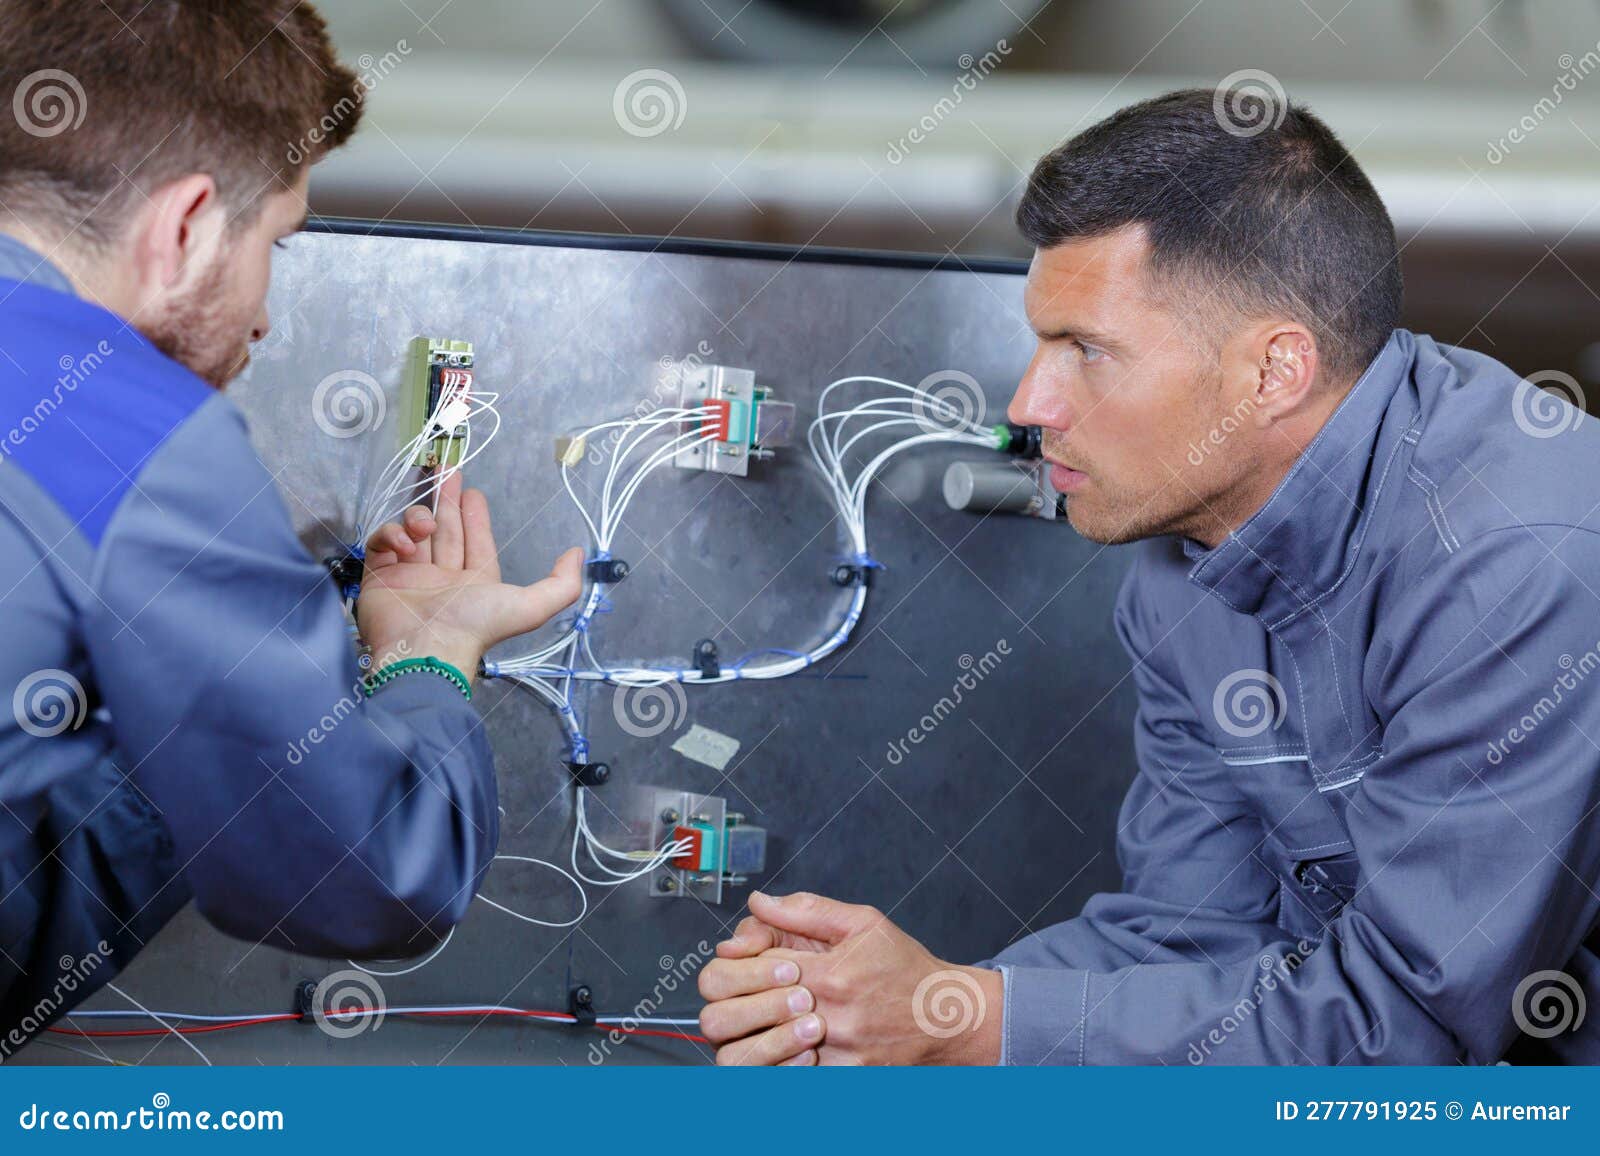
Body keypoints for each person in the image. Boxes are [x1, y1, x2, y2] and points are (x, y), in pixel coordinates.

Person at [697, 88, 1600, 1065]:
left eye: (1085, 349)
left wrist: (960, 1023)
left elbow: (1408, 1032)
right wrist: (891, 1005)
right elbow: (1190, 939)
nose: (1028, 402)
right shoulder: (1183, 575)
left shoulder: (1524, 554)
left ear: (1271, 371)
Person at [0, 0, 580, 1048]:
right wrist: (429, 657)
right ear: (182, 229)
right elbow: (369, 876)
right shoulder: (129, 432)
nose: (266, 315)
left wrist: (185, 740)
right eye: (277, 239)